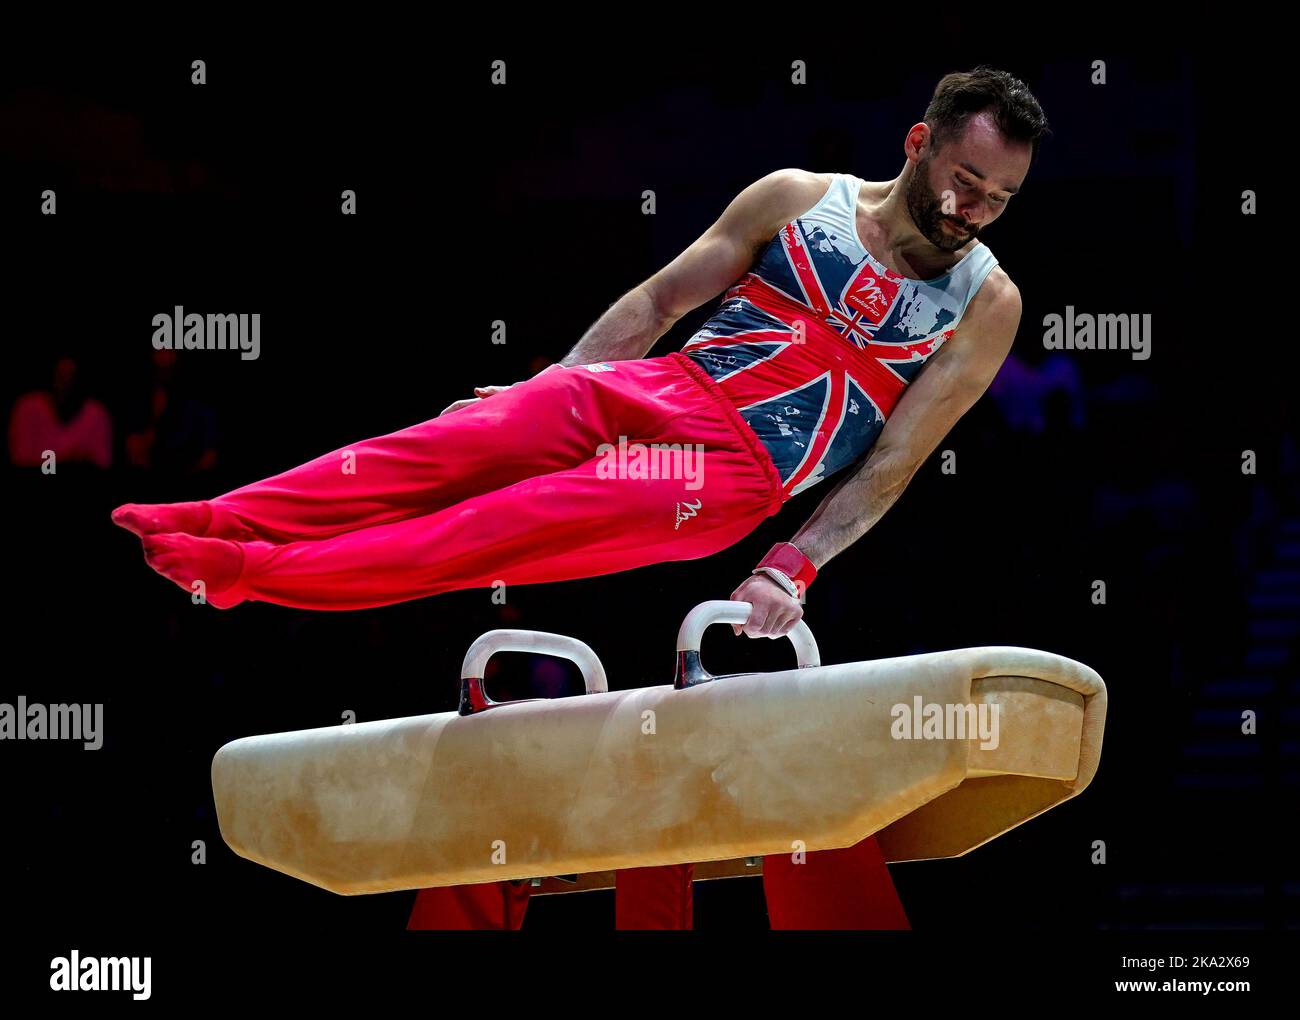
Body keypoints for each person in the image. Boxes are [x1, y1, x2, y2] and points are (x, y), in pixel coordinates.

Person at [115, 66, 1045, 928]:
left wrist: (790, 567)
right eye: (966, 180)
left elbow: (896, 459)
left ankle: (242, 572)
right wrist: (544, 390)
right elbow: (654, 304)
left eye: (1001, 198)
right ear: (918, 140)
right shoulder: (799, 198)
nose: (976, 211)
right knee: (441, 448)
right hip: (654, 385)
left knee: (484, 532)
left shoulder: (985, 302)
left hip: (718, 471)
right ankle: (212, 517)